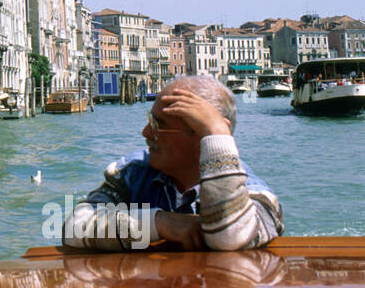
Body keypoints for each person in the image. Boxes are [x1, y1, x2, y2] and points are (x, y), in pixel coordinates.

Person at [63, 75, 284, 251]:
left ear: (203, 136)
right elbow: (74, 229)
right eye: (150, 121)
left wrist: (217, 132)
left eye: (159, 125)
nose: (146, 132)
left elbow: (230, 237)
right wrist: (160, 223)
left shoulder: (251, 192)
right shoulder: (133, 174)